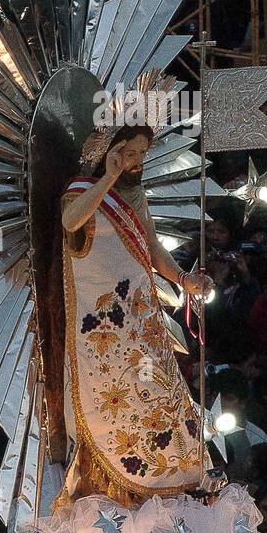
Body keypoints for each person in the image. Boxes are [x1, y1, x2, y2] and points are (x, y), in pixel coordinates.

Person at [59, 124, 213, 505]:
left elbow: (151, 245)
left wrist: (182, 278)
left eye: (143, 154)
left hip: (141, 320)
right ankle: (117, 489)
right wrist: (108, 179)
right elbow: (70, 222)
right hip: (101, 326)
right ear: (109, 153)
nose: (139, 162)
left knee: (160, 397)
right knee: (112, 406)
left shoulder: (133, 196)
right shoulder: (81, 192)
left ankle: (178, 481)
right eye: (132, 153)